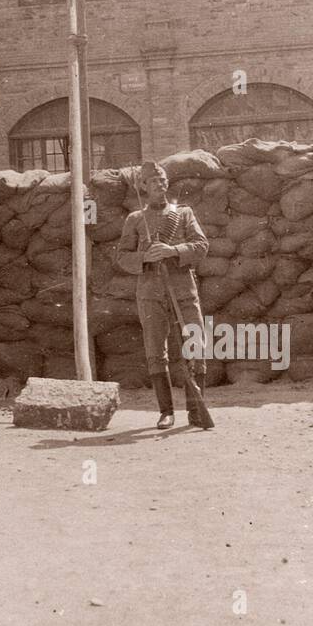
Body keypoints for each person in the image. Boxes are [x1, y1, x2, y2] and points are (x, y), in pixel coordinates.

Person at [115, 162, 209, 429]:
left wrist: (173, 250)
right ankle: (166, 411)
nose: (160, 184)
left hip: (182, 289)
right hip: (150, 291)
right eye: (153, 180)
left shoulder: (183, 213)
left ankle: (196, 409)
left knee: (195, 345)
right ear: (143, 186)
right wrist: (145, 257)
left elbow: (202, 245)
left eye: (163, 179)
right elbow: (121, 257)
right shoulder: (134, 219)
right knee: (156, 351)